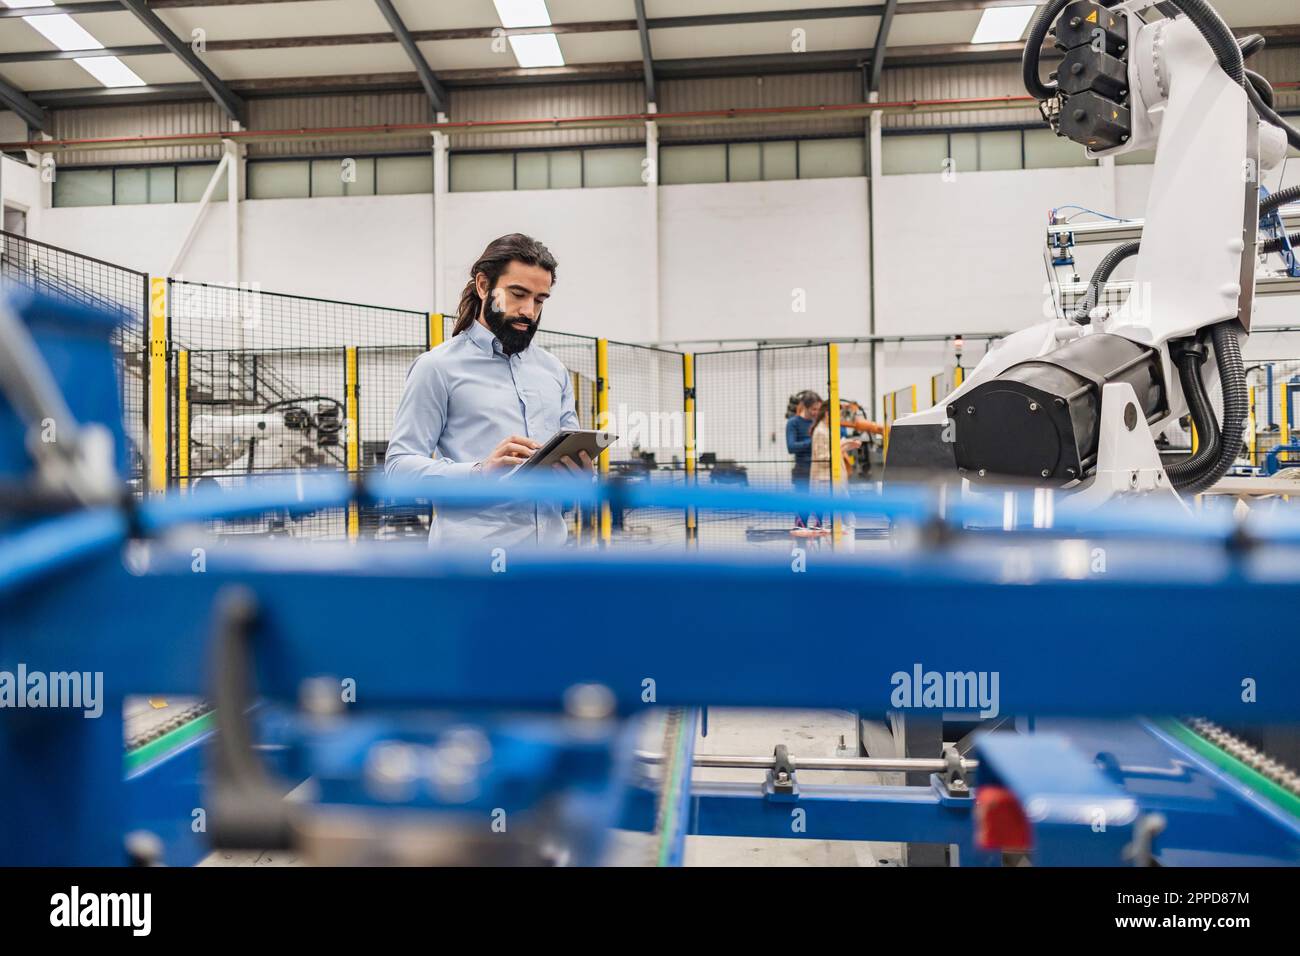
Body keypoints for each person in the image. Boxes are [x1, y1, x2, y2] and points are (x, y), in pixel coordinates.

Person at [384, 233, 592, 547]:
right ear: (483, 286)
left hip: (549, 562)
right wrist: (480, 472)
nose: (529, 311)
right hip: (474, 565)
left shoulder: (553, 370)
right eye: (518, 294)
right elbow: (399, 468)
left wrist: (581, 475)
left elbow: (574, 461)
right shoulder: (437, 368)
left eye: (539, 300)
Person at [808, 401, 861, 531]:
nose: (839, 417)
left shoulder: (829, 429)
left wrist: (849, 444)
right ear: (827, 414)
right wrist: (843, 446)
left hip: (835, 478)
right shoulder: (820, 431)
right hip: (826, 480)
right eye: (836, 414)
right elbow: (822, 457)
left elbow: (836, 450)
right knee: (846, 520)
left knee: (847, 520)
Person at [785, 390, 821, 529]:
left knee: (819, 511)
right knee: (803, 511)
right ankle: (801, 547)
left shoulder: (819, 423)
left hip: (819, 471)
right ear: (805, 407)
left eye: (818, 409)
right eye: (813, 409)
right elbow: (791, 447)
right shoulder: (793, 423)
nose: (816, 412)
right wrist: (813, 441)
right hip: (802, 471)